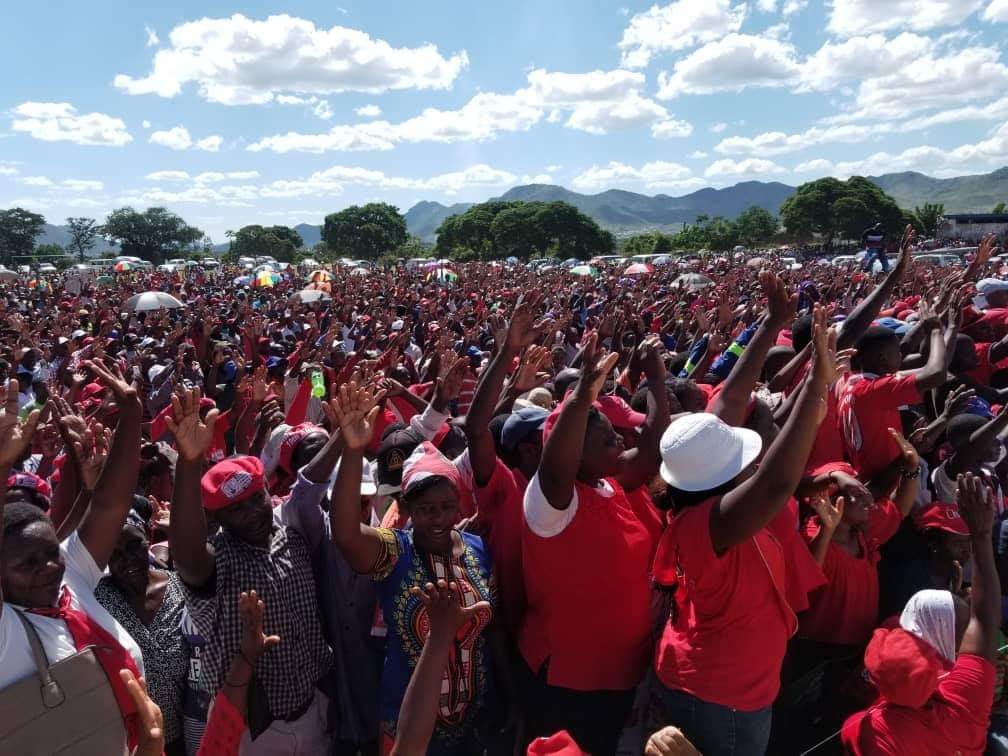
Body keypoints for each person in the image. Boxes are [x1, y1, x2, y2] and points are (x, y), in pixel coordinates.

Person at [652, 301, 834, 756]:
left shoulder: (714, 510)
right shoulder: (706, 527)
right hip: (721, 698)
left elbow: (731, 398)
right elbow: (775, 483)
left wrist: (773, 322)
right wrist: (814, 385)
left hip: (731, 682)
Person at [327, 381, 504, 756]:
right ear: (408, 509)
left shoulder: (477, 548)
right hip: (410, 726)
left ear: (459, 503)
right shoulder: (395, 551)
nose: (437, 518)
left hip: (473, 718)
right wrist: (355, 450)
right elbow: (344, 534)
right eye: (425, 509)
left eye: (446, 506)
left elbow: (494, 629)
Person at [518, 329, 668, 755]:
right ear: (575, 453)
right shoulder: (550, 507)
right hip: (571, 684)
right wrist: (582, 395)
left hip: (621, 675)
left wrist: (655, 380)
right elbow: (553, 466)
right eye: (607, 439)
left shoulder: (609, 485)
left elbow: (652, 450)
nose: (621, 441)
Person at [165, 387, 333, 754]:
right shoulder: (219, 561)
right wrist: (189, 463)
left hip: (313, 710)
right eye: (237, 509)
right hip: (255, 730)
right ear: (218, 517)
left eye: (256, 498)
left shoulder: (291, 537)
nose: (254, 512)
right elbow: (188, 556)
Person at [0, 364, 144, 749]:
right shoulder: (6, 630)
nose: (48, 567)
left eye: (51, 552)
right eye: (26, 564)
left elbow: (109, 508)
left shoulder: (69, 583)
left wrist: (132, 416)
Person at [842, 472, 1001, 754]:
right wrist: (982, 533)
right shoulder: (965, 698)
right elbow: (986, 619)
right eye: (961, 629)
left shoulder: (868, 730)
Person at [95, 511, 190, 754]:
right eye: (114, 552)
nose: (126, 559)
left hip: (189, 732)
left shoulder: (180, 587)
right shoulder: (96, 600)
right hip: (133, 743)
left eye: (133, 545)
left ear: (148, 538)